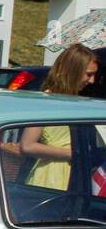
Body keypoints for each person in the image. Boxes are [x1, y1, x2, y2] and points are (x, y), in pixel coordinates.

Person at [19, 43, 99, 191]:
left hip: (74, 176)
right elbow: (27, 145)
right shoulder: (46, 100)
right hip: (51, 177)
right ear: (74, 71)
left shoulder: (76, 100)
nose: (92, 81)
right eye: (88, 74)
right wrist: (72, 154)